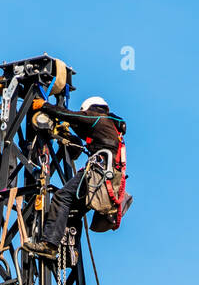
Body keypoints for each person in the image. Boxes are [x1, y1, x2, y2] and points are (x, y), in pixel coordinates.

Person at [24, 96, 130, 258]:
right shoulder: (109, 125)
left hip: (97, 174)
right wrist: (65, 129)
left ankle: (49, 245)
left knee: (62, 197)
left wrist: (44, 106)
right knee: (73, 212)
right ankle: (71, 251)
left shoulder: (96, 117)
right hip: (106, 181)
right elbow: (79, 129)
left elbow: (73, 116)